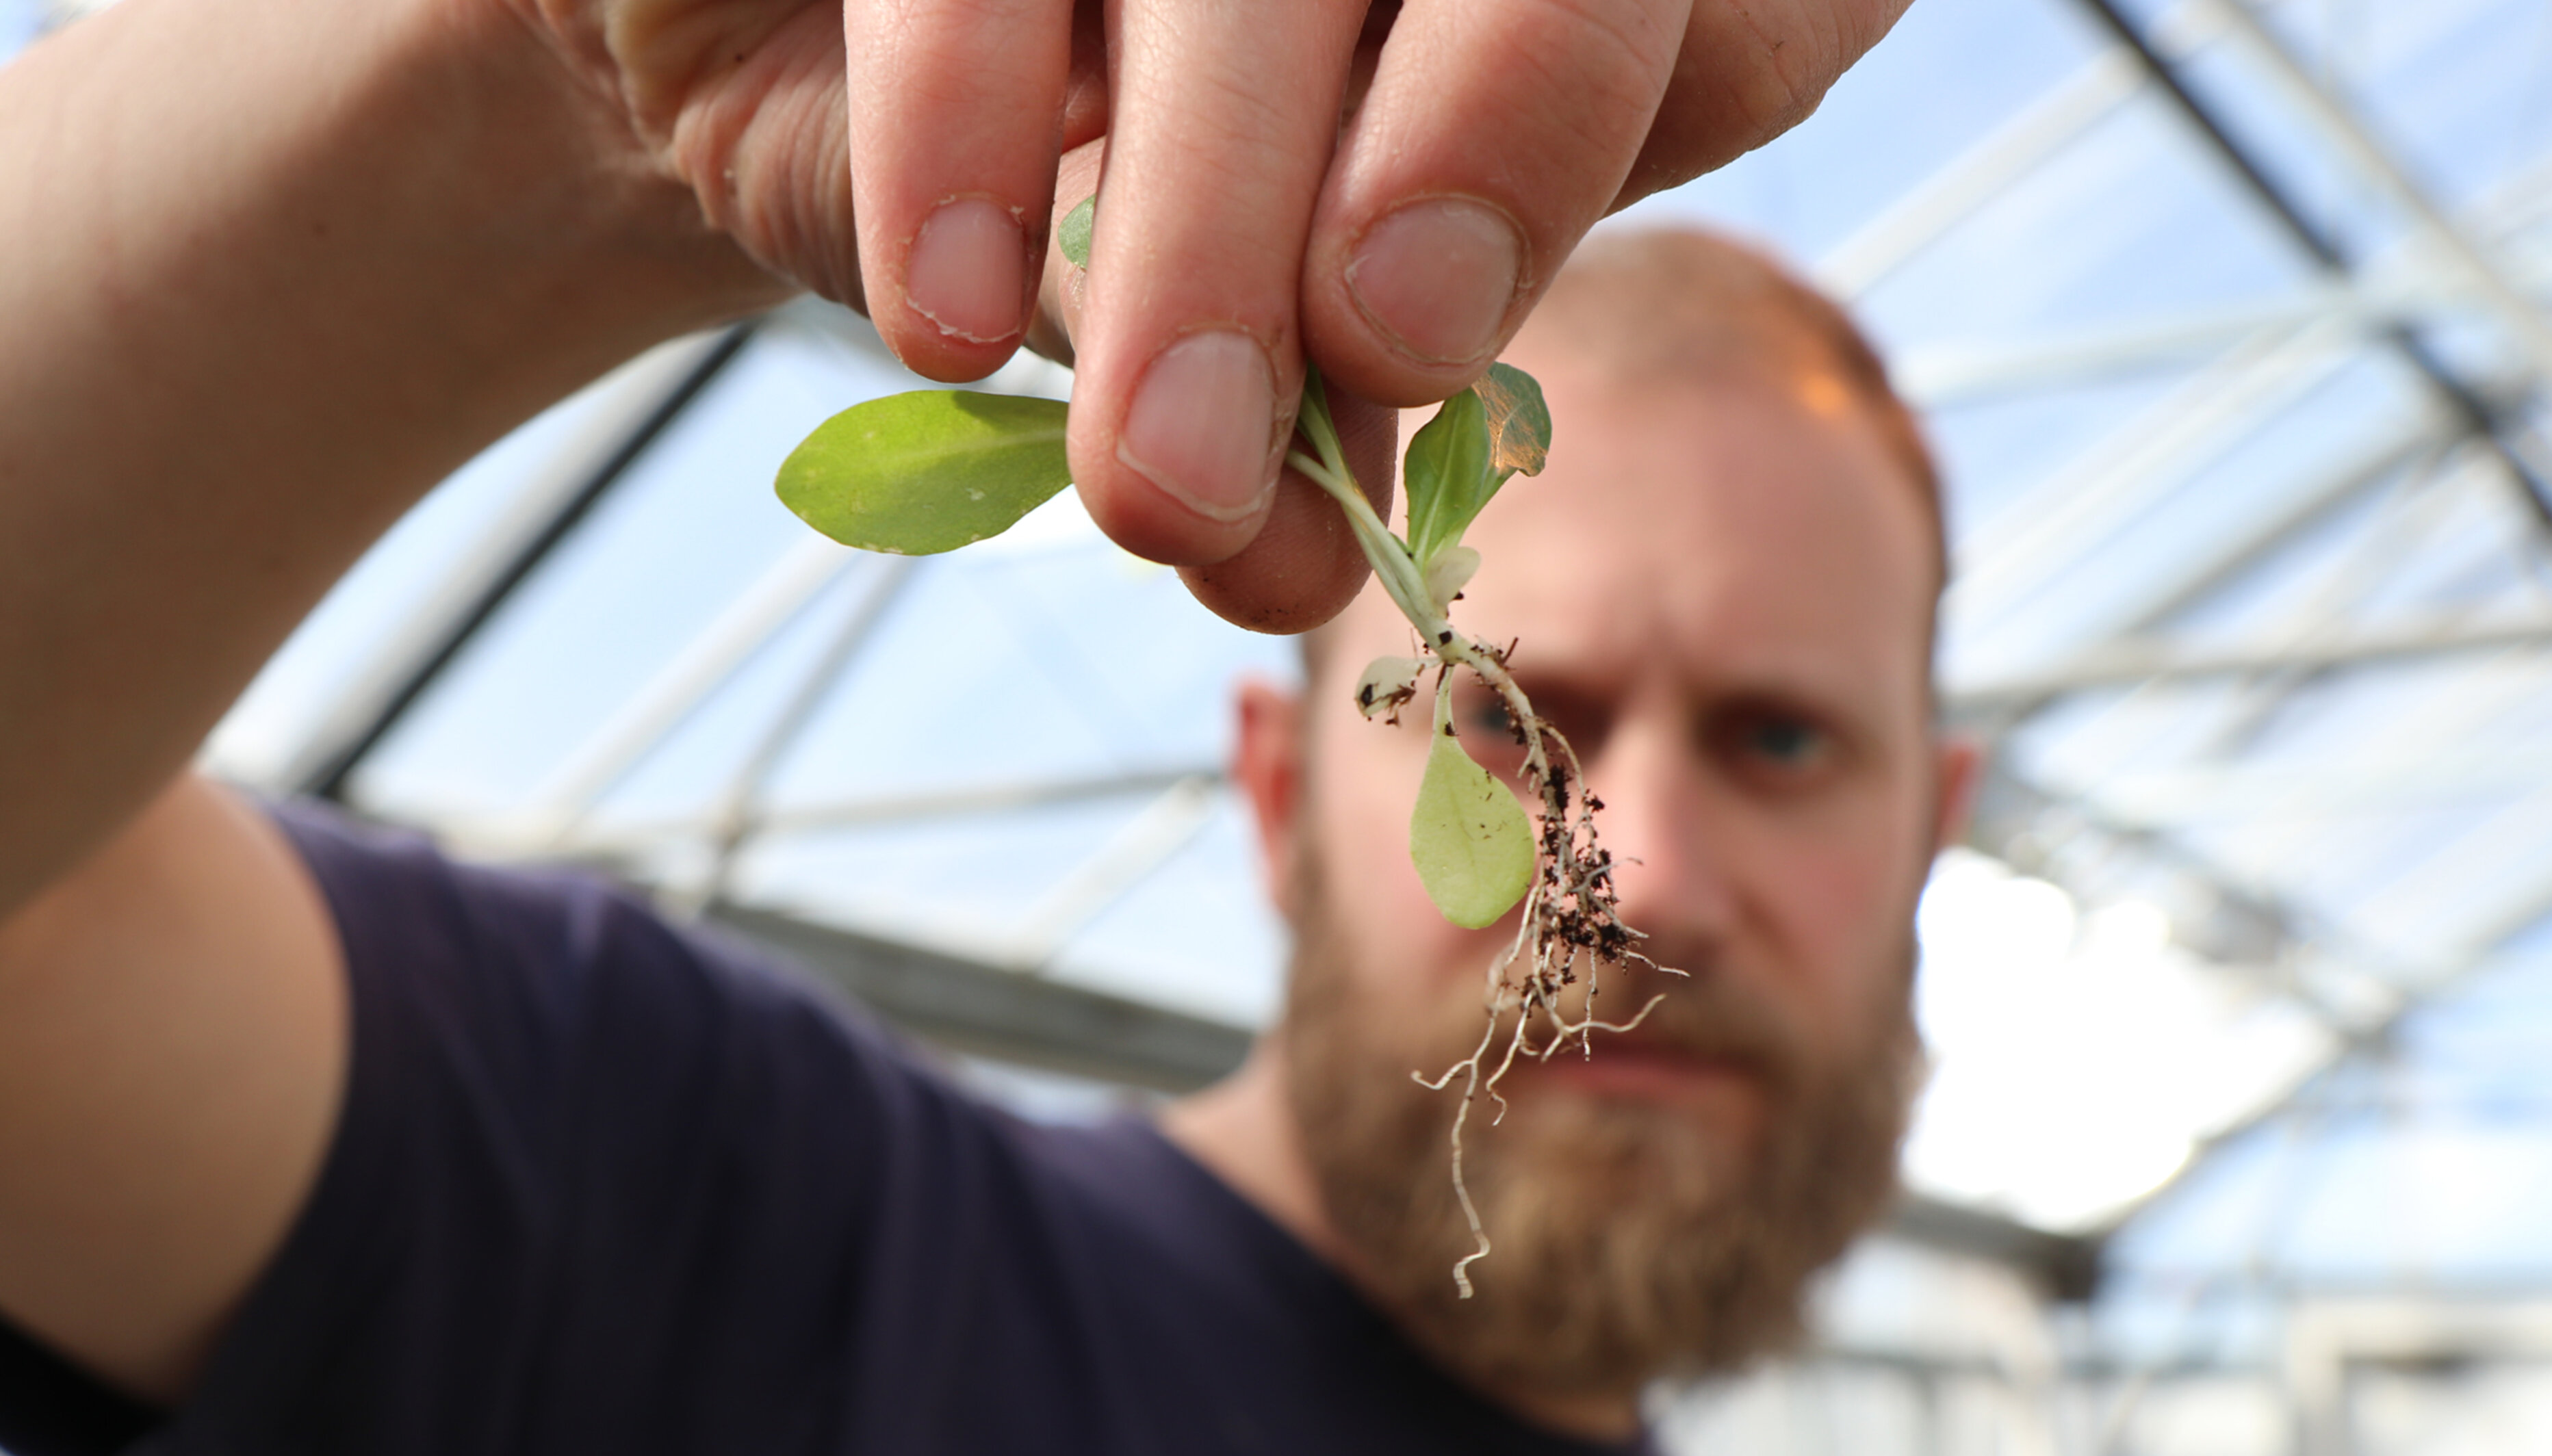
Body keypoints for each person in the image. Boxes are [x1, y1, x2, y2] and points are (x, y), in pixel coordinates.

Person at [0, 0, 1942, 1451]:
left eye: (1782, 743)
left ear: (1938, 827)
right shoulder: (746, 1244)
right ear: (1272, 803)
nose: (1651, 872)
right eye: (1517, 718)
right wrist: (528, 70)